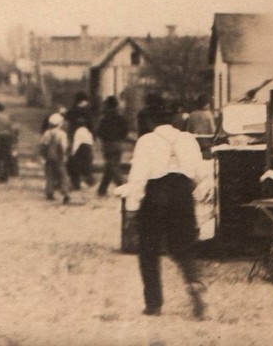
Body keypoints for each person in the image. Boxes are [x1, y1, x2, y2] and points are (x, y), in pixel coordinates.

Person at [118, 104, 211, 319]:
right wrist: (193, 193)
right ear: (174, 120)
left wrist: (132, 208)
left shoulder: (147, 141)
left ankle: (154, 304)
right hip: (182, 194)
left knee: (149, 250)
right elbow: (200, 173)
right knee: (184, 246)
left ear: (151, 121)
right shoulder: (188, 139)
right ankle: (194, 283)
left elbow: (138, 177)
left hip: (155, 195)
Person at [96, 96, 129, 197]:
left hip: (108, 144)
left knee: (112, 166)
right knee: (112, 166)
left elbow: (99, 132)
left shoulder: (104, 118)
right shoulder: (121, 118)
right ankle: (102, 189)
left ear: (108, 105)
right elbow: (125, 131)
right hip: (119, 144)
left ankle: (122, 186)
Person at [40, 113, 71, 204]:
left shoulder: (47, 133)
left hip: (49, 157)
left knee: (49, 174)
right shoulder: (62, 134)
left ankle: (49, 192)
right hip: (59, 157)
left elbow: (43, 145)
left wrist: (43, 156)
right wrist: (65, 155)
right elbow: (64, 146)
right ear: (60, 123)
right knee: (62, 175)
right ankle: (65, 192)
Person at [0, 103, 19, 182]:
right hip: (7, 138)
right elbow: (14, 129)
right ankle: (5, 175)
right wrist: (14, 140)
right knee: (5, 157)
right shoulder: (7, 117)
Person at [67, 124, 96, 189]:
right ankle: (90, 181)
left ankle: (76, 184)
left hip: (80, 151)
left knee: (75, 167)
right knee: (86, 167)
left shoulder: (78, 131)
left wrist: (72, 153)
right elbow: (92, 143)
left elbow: (76, 143)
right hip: (88, 151)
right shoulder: (88, 132)